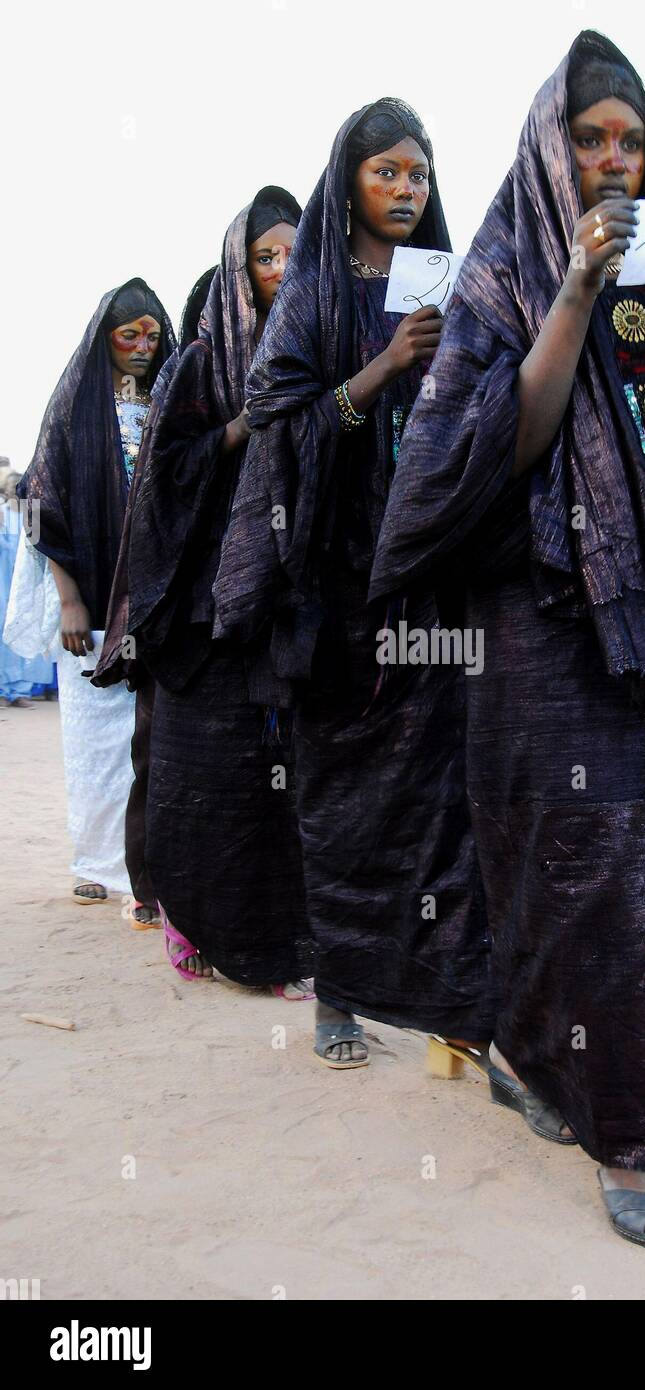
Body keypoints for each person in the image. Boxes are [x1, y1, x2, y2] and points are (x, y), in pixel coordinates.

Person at [370, 31, 645, 1249]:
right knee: (582, 880)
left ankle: (560, 1069)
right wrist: (571, 288)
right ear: (547, 151)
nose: (613, 159)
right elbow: (466, 461)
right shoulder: (499, 275)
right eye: (590, 138)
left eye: (630, 140)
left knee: (620, 881)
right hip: (539, 641)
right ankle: (627, 1136)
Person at [213, 102, 497, 1071]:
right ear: (350, 181)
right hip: (333, 591)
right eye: (387, 173)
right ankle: (340, 989)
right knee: (339, 798)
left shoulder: (453, 281)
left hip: (432, 579)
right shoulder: (314, 292)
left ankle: (453, 998)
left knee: (442, 794)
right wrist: (379, 370)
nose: (407, 190)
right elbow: (273, 417)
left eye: (418, 174)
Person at [116, 190, 314, 997]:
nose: (280, 271)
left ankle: (263, 942)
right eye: (266, 257)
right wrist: (243, 426)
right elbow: (163, 482)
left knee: (269, 779)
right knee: (195, 777)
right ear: (241, 266)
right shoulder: (199, 363)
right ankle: (188, 921)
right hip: (201, 610)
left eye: (293, 256)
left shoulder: (312, 347)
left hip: (278, 600)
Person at [13, 280, 174, 904]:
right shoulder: (75, 409)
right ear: (102, 339)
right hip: (91, 597)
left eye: (152, 336)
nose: (140, 347)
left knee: (148, 740)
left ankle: (146, 867)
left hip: (153, 598)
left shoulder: (168, 400)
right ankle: (95, 862)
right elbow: (42, 500)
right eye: (126, 335)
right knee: (92, 739)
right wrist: (72, 598)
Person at [94, 268, 218, 929]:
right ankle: (147, 886)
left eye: (151, 334)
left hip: (221, 600)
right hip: (160, 593)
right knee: (153, 745)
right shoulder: (189, 384)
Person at [0, 475, 56, 706]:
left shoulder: (33, 513)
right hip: (4, 579)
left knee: (31, 625)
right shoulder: (2, 511)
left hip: (28, 581)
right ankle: (5, 688)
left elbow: (38, 550)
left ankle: (23, 689)